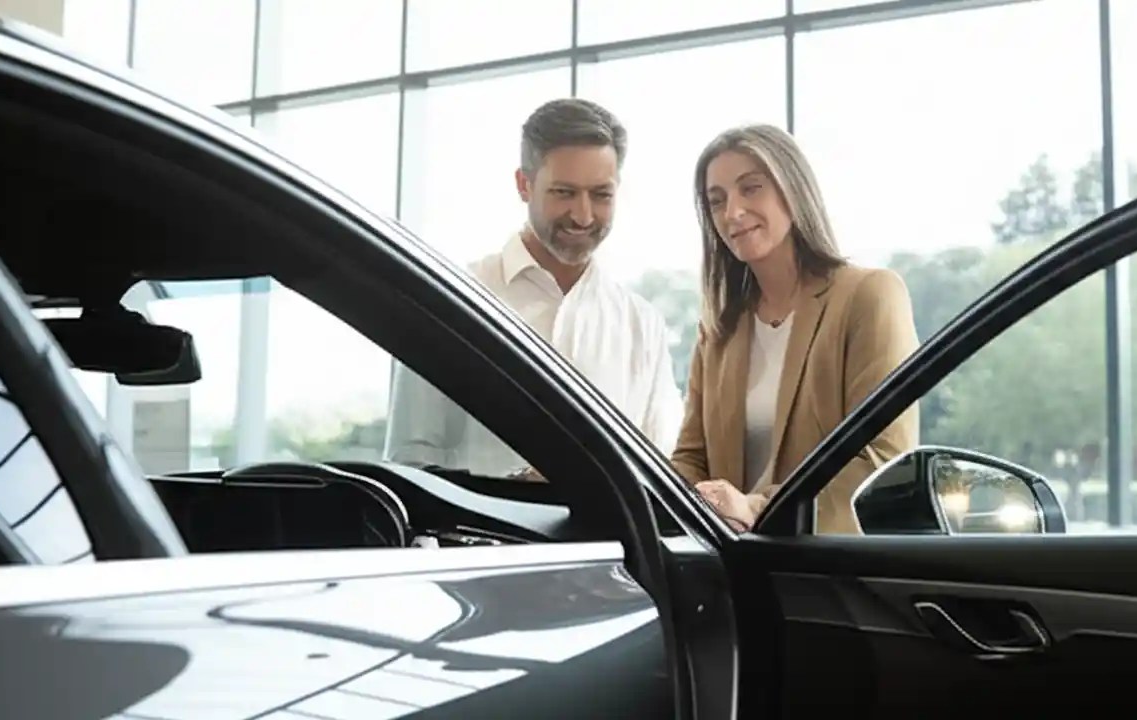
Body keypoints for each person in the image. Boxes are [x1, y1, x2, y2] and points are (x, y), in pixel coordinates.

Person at [384, 98, 683, 477]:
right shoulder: (449, 301)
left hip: (608, 539)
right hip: (481, 537)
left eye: (601, 194)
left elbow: (663, 470)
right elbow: (409, 466)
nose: (583, 215)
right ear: (524, 185)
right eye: (564, 193)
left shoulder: (642, 324)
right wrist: (514, 490)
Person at [670, 123, 920, 534]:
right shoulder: (720, 328)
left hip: (826, 570)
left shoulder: (869, 296)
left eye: (751, 188)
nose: (732, 212)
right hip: (730, 568)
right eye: (717, 201)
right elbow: (691, 458)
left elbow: (882, 458)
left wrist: (758, 507)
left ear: (793, 189)